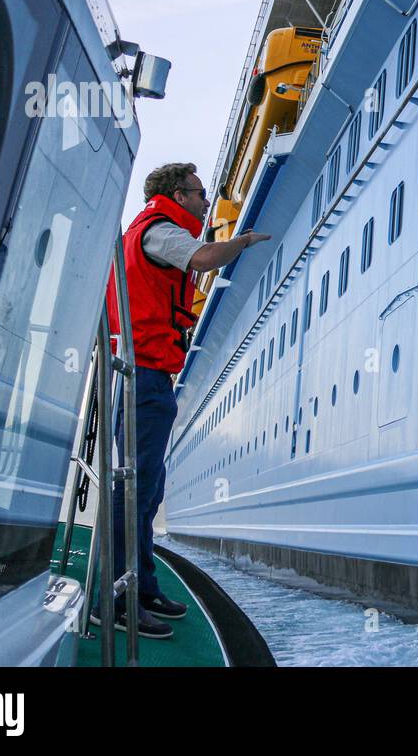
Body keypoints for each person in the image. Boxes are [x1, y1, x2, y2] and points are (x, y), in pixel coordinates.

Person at [97, 163, 269, 638]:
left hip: (146, 374)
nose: (204, 200)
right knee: (134, 490)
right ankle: (114, 600)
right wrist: (242, 242)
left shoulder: (145, 231)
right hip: (144, 375)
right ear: (177, 193)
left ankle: (142, 586)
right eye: (198, 193)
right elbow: (202, 259)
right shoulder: (160, 230)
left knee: (146, 491)